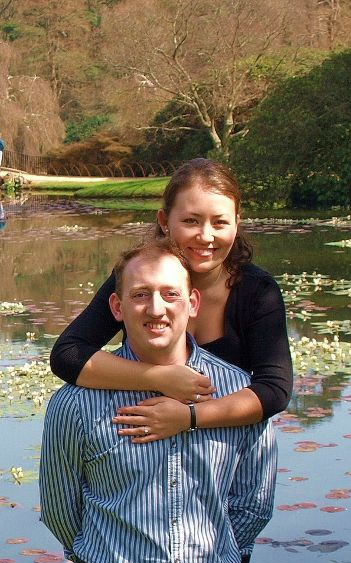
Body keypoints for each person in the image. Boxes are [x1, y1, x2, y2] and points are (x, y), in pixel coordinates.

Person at [40, 239, 277, 563]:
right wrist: (103, 561)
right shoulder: (75, 403)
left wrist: (213, 559)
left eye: (171, 294)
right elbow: (60, 509)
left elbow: (253, 502)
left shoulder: (238, 392)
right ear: (117, 307)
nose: (156, 308)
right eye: (140, 294)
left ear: (193, 303)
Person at [50, 157, 293, 438]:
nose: (206, 236)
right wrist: (158, 377)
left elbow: (274, 389)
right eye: (191, 221)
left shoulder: (258, 291)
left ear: (236, 224)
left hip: (222, 444)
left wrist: (189, 417)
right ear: (164, 221)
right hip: (138, 439)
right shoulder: (137, 279)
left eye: (220, 223)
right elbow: (67, 354)